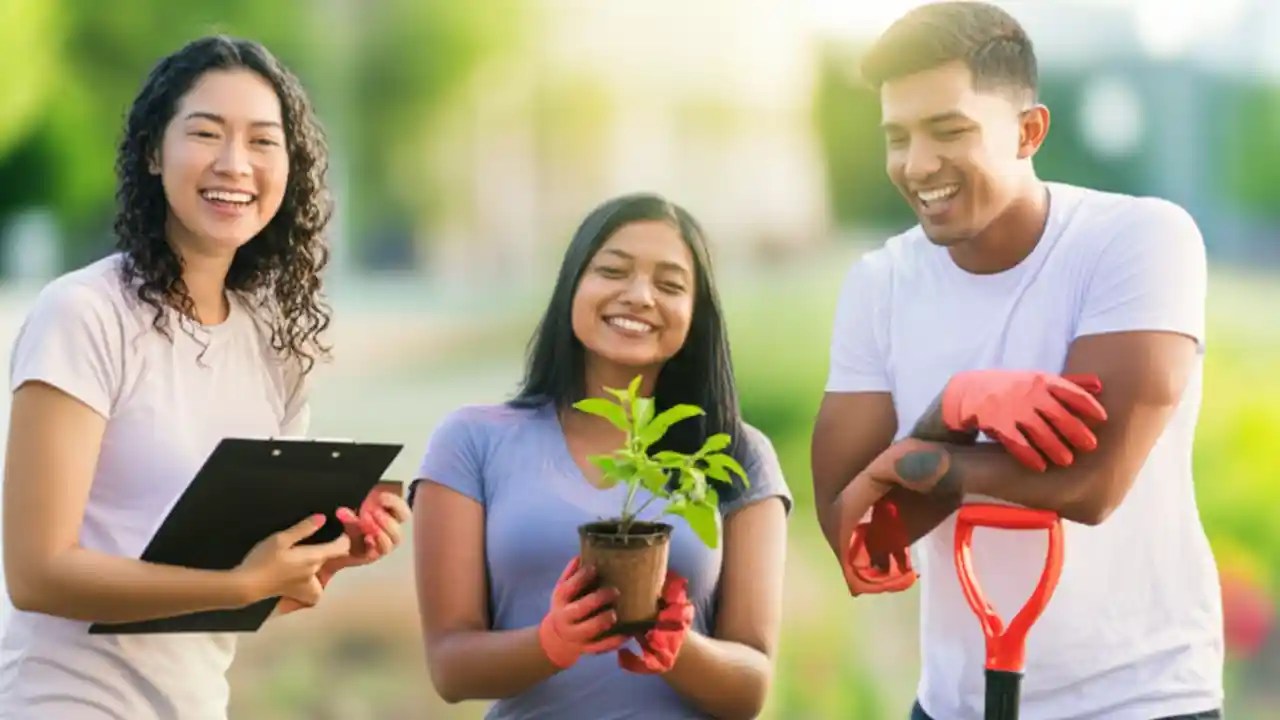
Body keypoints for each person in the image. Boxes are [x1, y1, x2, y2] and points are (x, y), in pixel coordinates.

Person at [809, 3, 1223, 719]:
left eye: (949, 130)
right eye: (898, 136)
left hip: (1142, 701)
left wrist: (909, 468)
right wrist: (956, 405)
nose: (917, 164)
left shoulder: (1139, 242)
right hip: (953, 705)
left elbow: (1091, 483)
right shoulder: (880, 284)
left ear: (1029, 131)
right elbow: (858, 537)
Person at [0, 36, 410, 719]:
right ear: (153, 154)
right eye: (206, 133)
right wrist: (239, 581)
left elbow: (246, 596)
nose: (234, 163)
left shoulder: (279, 346)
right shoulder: (84, 314)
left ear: (292, 167)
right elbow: (36, 574)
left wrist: (322, 561)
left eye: (262, 141)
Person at [411, 193, 792, 720]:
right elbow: (450, 667)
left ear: (695, 314)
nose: (639, 296)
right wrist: (553, 641)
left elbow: (751, 689)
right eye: (613, 271)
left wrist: (677, 646)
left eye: (670, 284)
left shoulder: (736, 453)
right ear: (572, 286)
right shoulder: (472, 441)